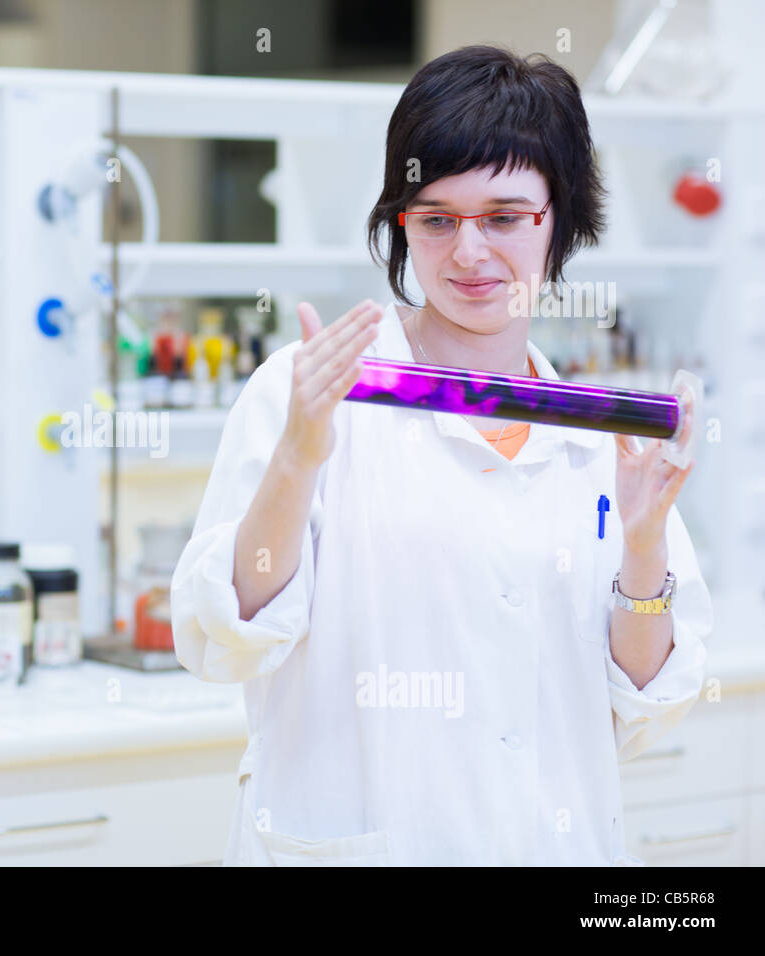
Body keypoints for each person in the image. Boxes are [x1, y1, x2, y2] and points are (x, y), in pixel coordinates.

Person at [171, 46, 712, 866]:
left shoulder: (601, 433)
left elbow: (639, 705)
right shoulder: (312, 390)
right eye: (436, 219)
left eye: (504, 217)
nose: (468, 253)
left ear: (559, 220)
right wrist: (298, 459)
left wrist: (643, 547)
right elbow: (230, 635)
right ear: (402, 224)